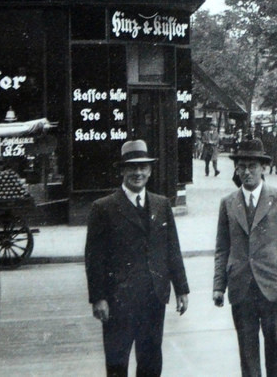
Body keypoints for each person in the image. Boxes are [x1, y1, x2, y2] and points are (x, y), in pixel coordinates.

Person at [85, 140, 190, 377]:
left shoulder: (161, 205)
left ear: (150, 170)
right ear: (122, 171)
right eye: (132, 167)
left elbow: (172, 249)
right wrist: (98, 298)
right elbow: (94, 258)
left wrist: (181, 289)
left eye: (143, 167)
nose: (138, 173)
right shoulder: (103, 208)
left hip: (154, 297)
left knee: (151, 361)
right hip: (117, 300)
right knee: (117, 362)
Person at [213, 137, 277, 377]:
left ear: (263, 168)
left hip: (273, 288)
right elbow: (222, 249)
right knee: (247, 352)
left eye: (252, 166)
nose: (247, 172)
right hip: (241, 287)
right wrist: (218, 287)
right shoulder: (228, 204)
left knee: (276, 349)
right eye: (242, 166)